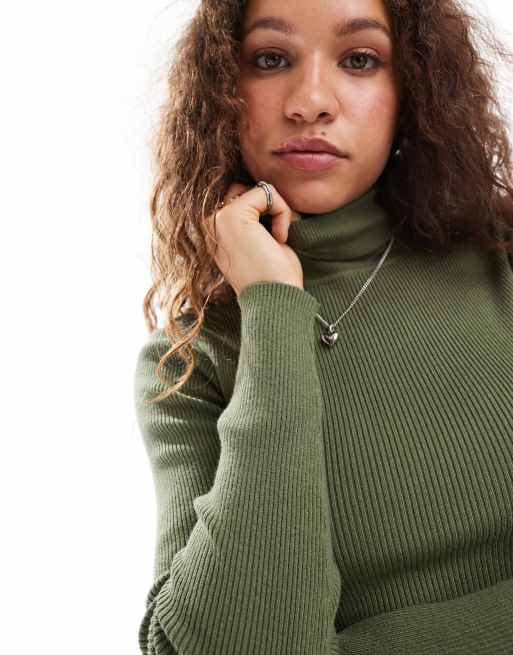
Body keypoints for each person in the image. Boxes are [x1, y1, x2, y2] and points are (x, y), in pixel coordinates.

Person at [134, 0, 513, 652]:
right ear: (222, 90)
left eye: (359, 59)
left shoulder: (502, 263)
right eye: (270, 59)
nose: (310, 102)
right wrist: (273, 309)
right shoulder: (187, 364)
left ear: (413, 88)